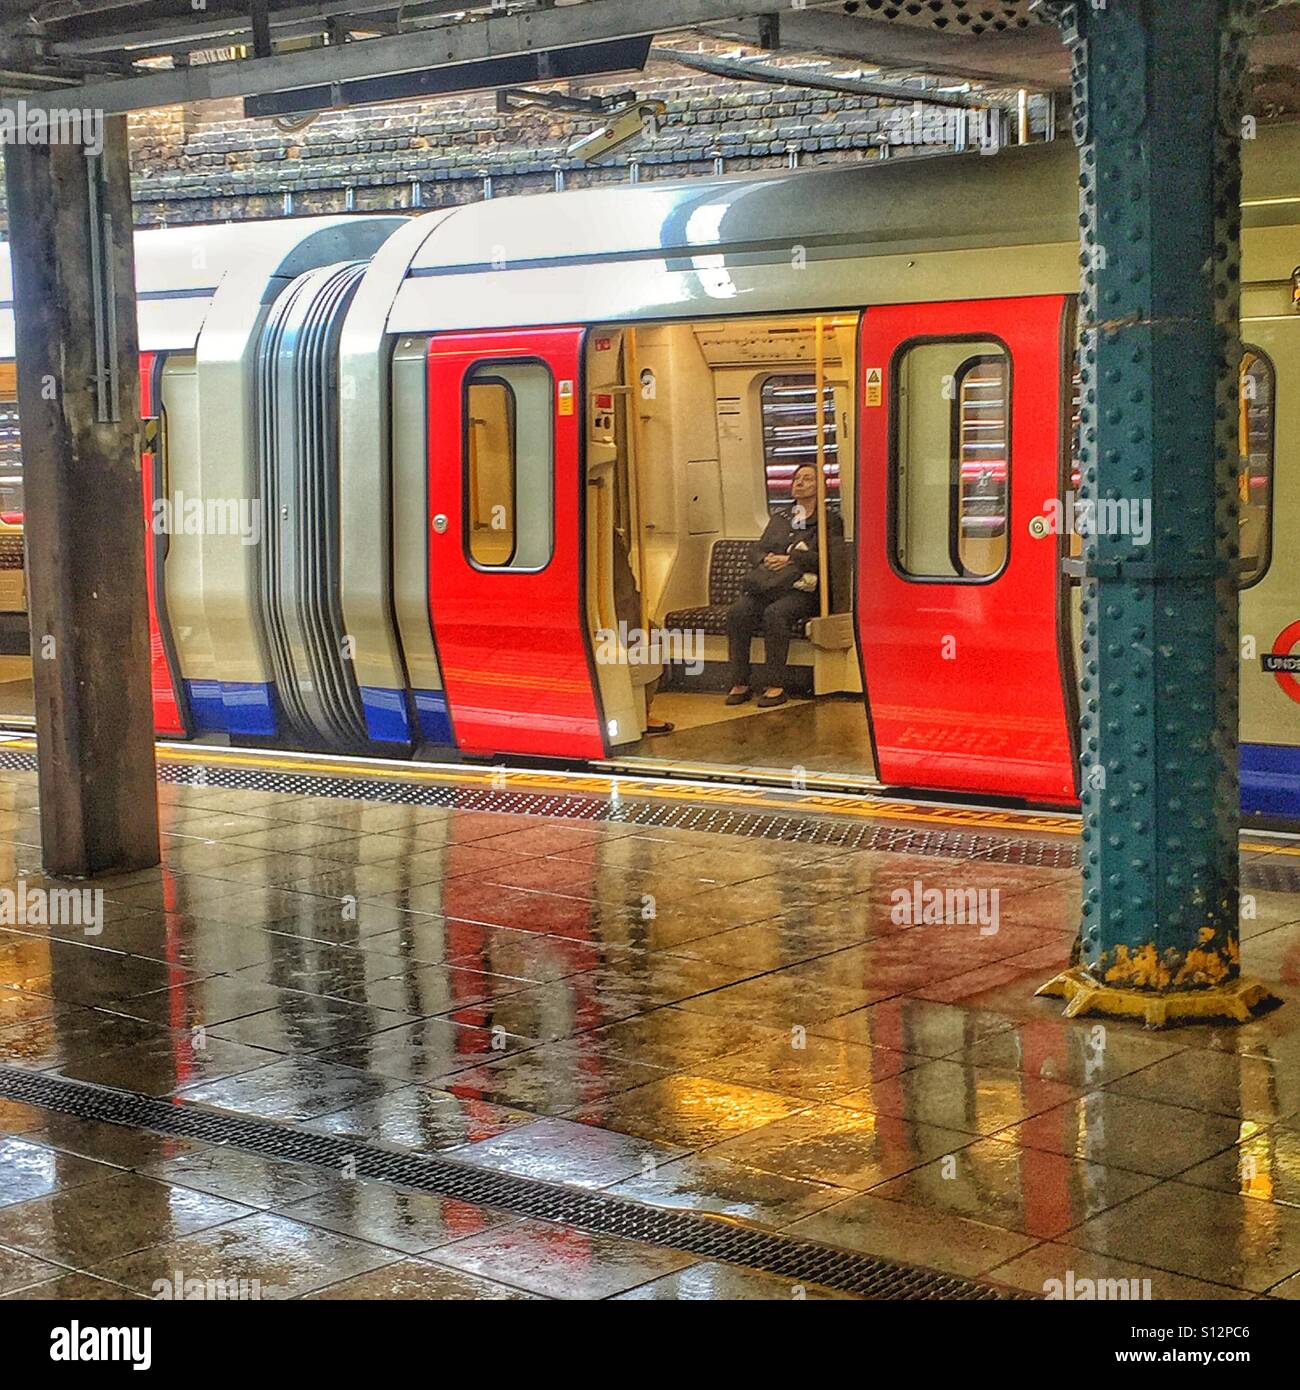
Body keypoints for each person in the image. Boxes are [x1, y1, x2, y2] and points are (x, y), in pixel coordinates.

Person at [725, 462, 839, 709]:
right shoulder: (781, 518)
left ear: (821, 487)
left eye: (807, 479)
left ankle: (776, 685)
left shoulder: (829, 520)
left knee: (775, 614)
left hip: (803, 589)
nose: (799, 483)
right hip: (771, 585)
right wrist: (765, 559)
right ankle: (740, 682)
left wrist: (791, 558)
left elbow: (829, 558)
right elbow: (758, 548)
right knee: (738, 613)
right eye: (797, 478)